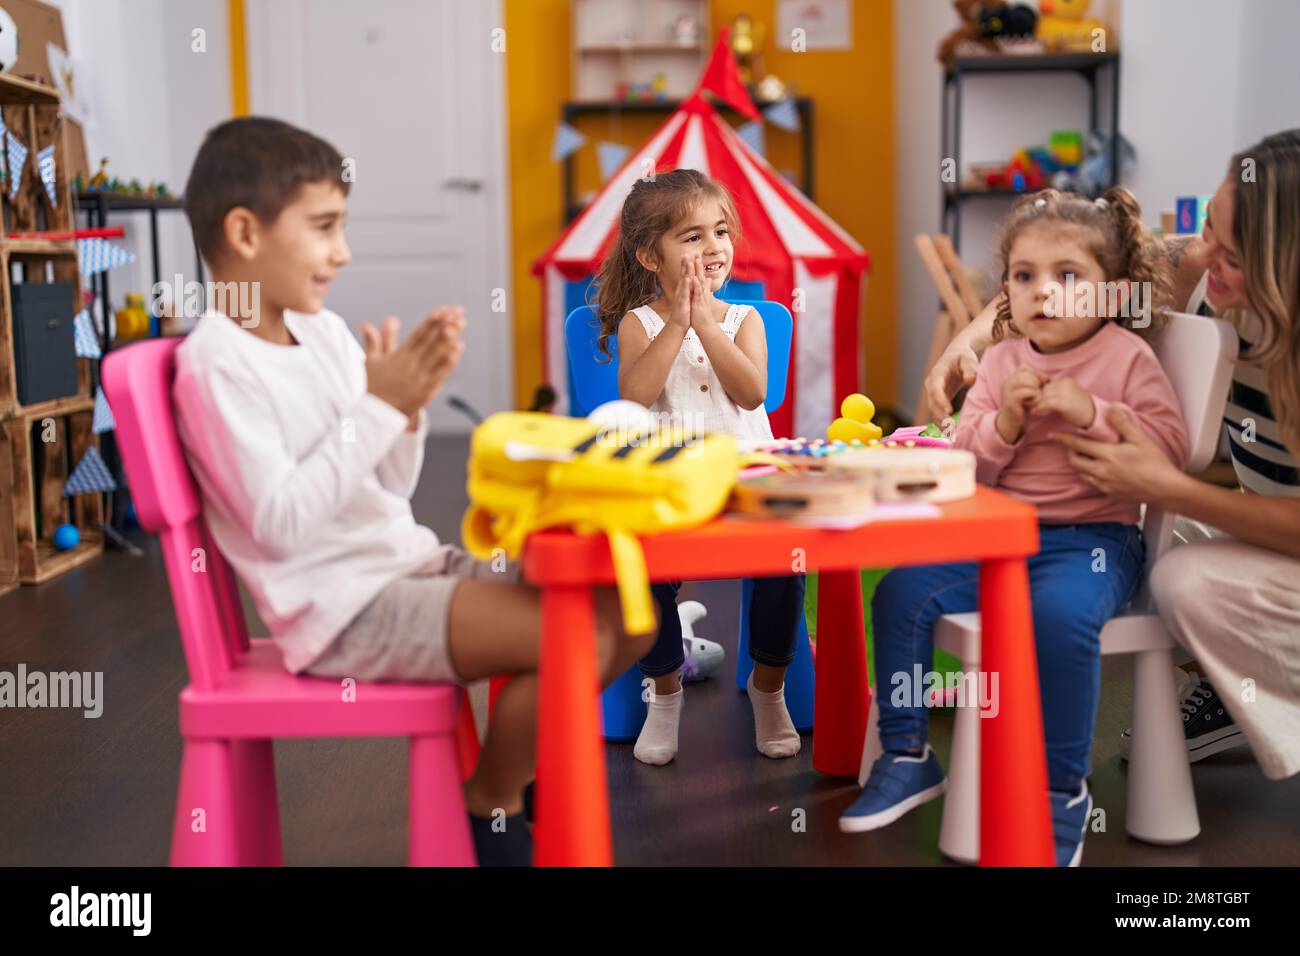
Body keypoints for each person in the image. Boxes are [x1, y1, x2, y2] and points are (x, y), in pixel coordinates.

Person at [172, 117, 655, 866]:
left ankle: (509, 782)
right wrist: (379, 407)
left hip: (406, 566)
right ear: (243, 232)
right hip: (342, 611)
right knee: (579, 635)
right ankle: (490, 800)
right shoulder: (216, 366)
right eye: (324, 226)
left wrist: (405, 415)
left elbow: (387, 491)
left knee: (633, 617)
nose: (343, 251)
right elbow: (278, 525)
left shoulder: (324, 333)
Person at [923, 130, 1300, 783]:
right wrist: (971, 340)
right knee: (1133, 537)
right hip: (1270, 531)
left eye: (1229, 252)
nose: (1201, 253)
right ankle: (1241, 684)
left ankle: (1259, 684)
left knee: (1184, 580)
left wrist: (1171, 487)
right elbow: (1065, 267)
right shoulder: (1203, 274)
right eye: (1208, 226)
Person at [840, 188, 1188, 867]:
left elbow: (1172, 451)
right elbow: (969, 464)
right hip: (998, 538)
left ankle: (1062, 792)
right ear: (1005, 290)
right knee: (899, 595)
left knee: (1058, 620)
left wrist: (1092, 414)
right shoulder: (1001, 363)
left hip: (1093, 544)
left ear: (1112, 295)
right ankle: (908, 754)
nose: (1043, 293)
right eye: (1024, 276)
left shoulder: (1127, 359)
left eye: (1068, 277)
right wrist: (1002, 426)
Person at [592, 168, 805, 766]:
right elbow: (633, 398)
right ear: (649, 256)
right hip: (667, 486)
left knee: (787, 559)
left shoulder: (747, 319)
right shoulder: (642, 323)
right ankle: (665, 693)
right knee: (636, 565)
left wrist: (708, 322)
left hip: (745, 482)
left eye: (720, 231)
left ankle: (769, 690)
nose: (713, 248)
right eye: (690, 237)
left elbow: (752, 392)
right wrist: (680, 323)